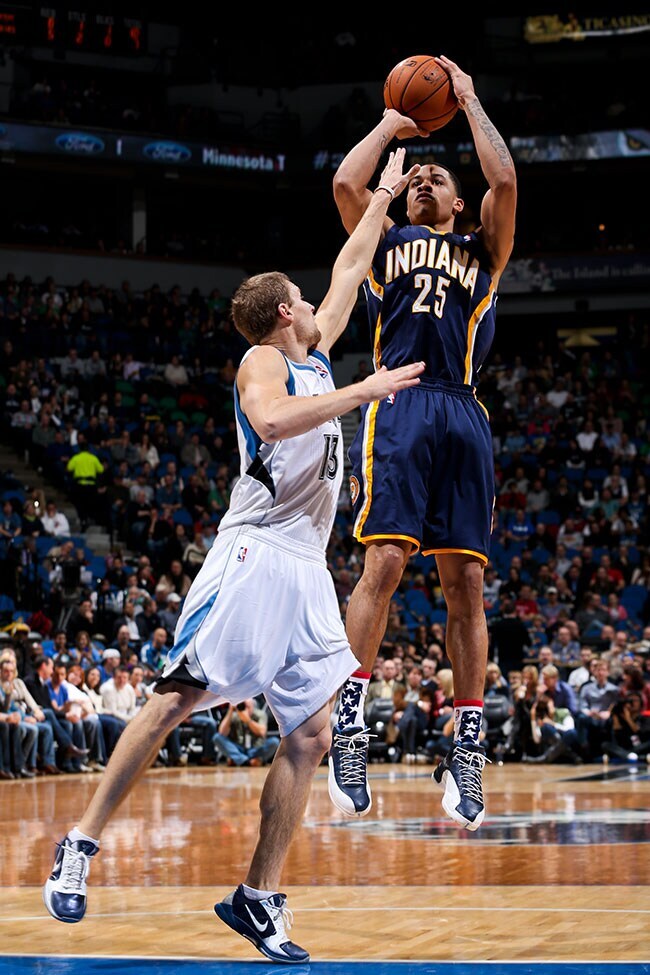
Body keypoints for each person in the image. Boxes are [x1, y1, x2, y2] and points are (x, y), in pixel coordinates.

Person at [43, 151, 424, 964]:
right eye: (307, 298)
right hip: (254, 554)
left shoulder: (314, 351)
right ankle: (80, 843)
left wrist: (385, 192)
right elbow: (277, 421)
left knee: (312, 733)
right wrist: (366, 390)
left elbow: (354, 261)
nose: (322, 303)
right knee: (176, 697)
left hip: (308, 568)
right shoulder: (265, 361)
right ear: (288, 311)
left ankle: (258, 894)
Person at [328, 54, 516, 829]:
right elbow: (346, 186)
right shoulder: (385, 241)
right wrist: (391, 127)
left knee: (466, 584)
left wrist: (467, 100)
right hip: (400, 401)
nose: (423, 182)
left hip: (462, 409)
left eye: (436, 177)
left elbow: (505, 184)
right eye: (415, 179)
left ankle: (466, 746)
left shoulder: (482, 249)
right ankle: (348, 719)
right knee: (385, 561)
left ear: (458, 198)